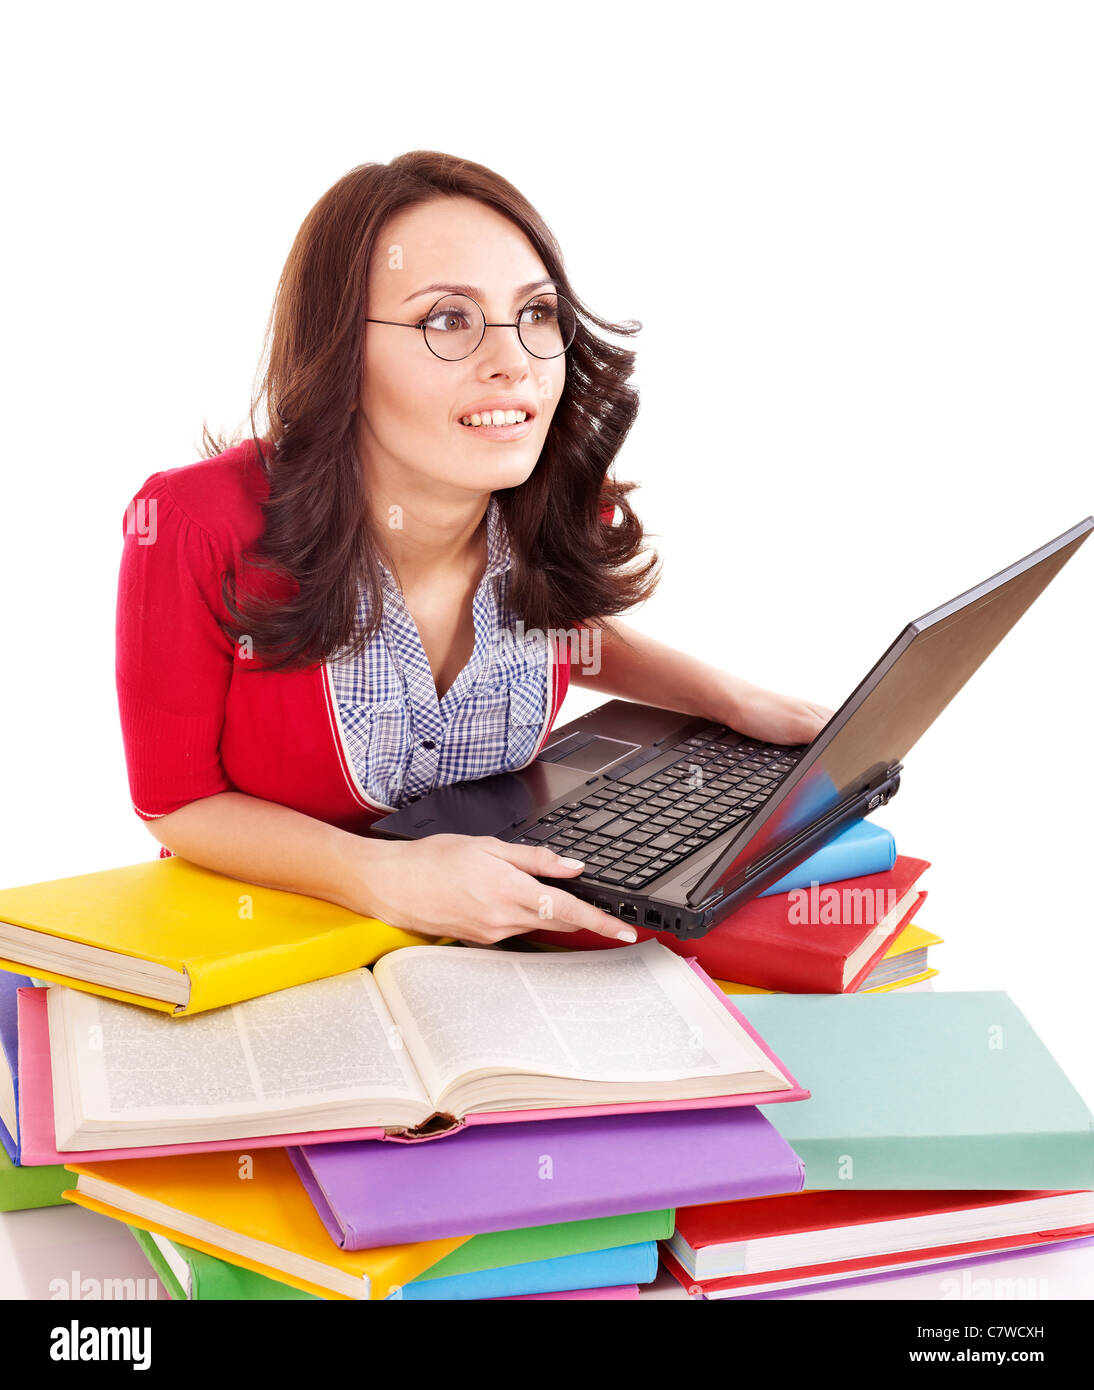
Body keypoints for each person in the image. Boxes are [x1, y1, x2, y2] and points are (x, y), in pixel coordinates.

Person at [115, 151, 831, 947]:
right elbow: (174, 804)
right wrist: (378, 876)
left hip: (501, 948)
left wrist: (725, 699)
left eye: (535, 314)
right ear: (340, 350)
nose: (514, 362)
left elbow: (546, 628)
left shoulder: (549, 494)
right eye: (448, 319)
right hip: (281, 943)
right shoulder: (194, 523)